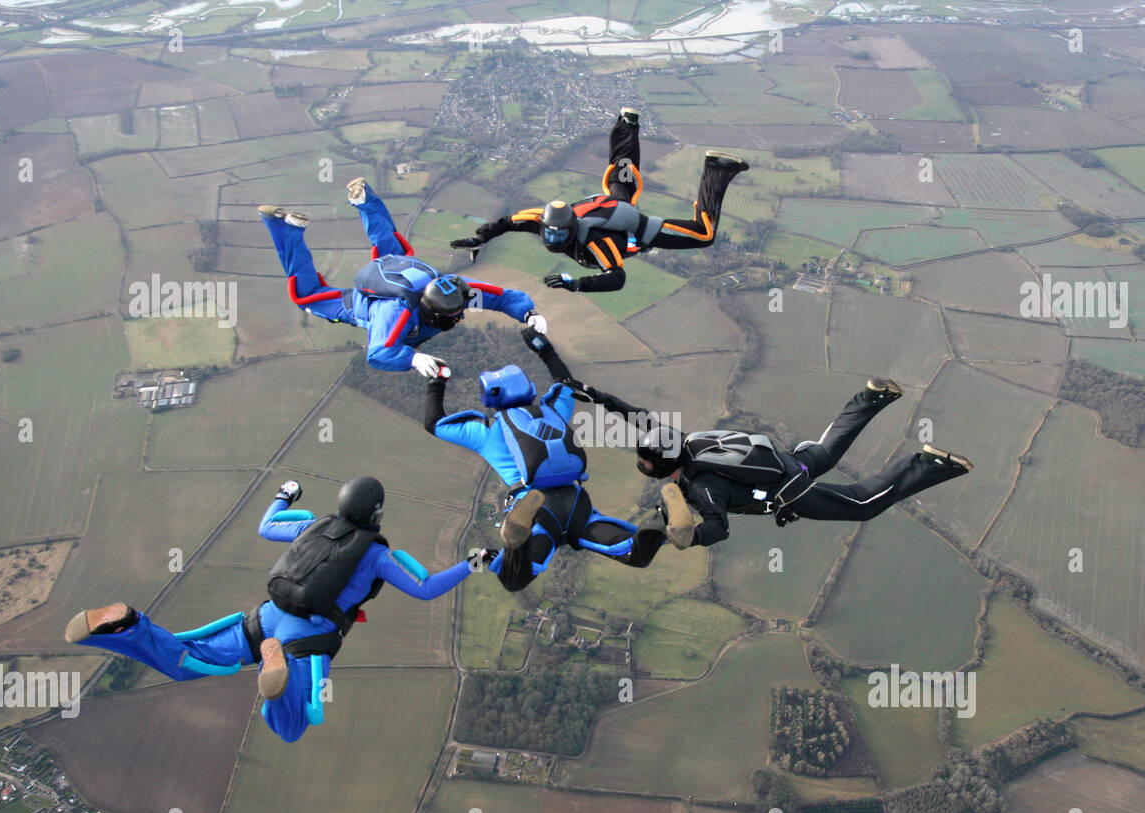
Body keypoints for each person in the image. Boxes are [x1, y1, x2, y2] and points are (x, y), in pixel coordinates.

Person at [64, 477, 478, 742]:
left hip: (264, 619)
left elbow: (265, 527)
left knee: (187, 661)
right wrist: (474, 562)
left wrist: (285, 495)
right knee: (292, 725)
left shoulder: (312, 525)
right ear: (377, 514)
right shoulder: (376, 556)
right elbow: (427, 589)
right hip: (305, 640)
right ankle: (274, 680)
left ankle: (129, 625)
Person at [572, 378, 973, 549]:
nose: (643, 467)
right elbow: (637, 415)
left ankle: (928, 464)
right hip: (785, 459)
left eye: (645, 465)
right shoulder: (681, 441)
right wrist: (596, 396)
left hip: (788, 491)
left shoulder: (700, 486)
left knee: (863, 505)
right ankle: (871, 398)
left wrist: (691, 537)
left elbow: (718, 527)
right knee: (828, 451)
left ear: (662, 467)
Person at [423, 328, 666, 592]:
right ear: (529, 390)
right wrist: (544, 348)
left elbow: (433, 422)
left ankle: (493, 553)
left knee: (512, 580)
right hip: (577, 505)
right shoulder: (552, 411)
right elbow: (565, 381)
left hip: (536, 512)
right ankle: (660, 521)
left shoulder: (488, 432)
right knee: (635, 553)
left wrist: (437, 382)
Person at [260, 177, 547, 376]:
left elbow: (502, 298)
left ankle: (363, 200)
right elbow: (378, 354)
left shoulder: (456, 291)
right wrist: (412, 358)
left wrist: (528, 313)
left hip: (400, 268)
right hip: (367, 300)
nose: (461, 315)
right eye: (455, 315)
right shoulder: (395, 314)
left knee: (388, 246)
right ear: (434, 314)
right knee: (306, 295)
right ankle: (285, 228)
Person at [449, 107, 749, 294]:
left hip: (633, 227)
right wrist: (481, 237)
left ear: (571, 227)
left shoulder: (595, 242)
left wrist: (577, 284)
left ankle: (717, 169)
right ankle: (625, 124)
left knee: (704, 234)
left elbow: (616, 277)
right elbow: (508, 222)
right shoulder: (541, 219)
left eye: (559, 233)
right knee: (622, 179)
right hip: (605, 206)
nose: (553, 237)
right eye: (550, 232)